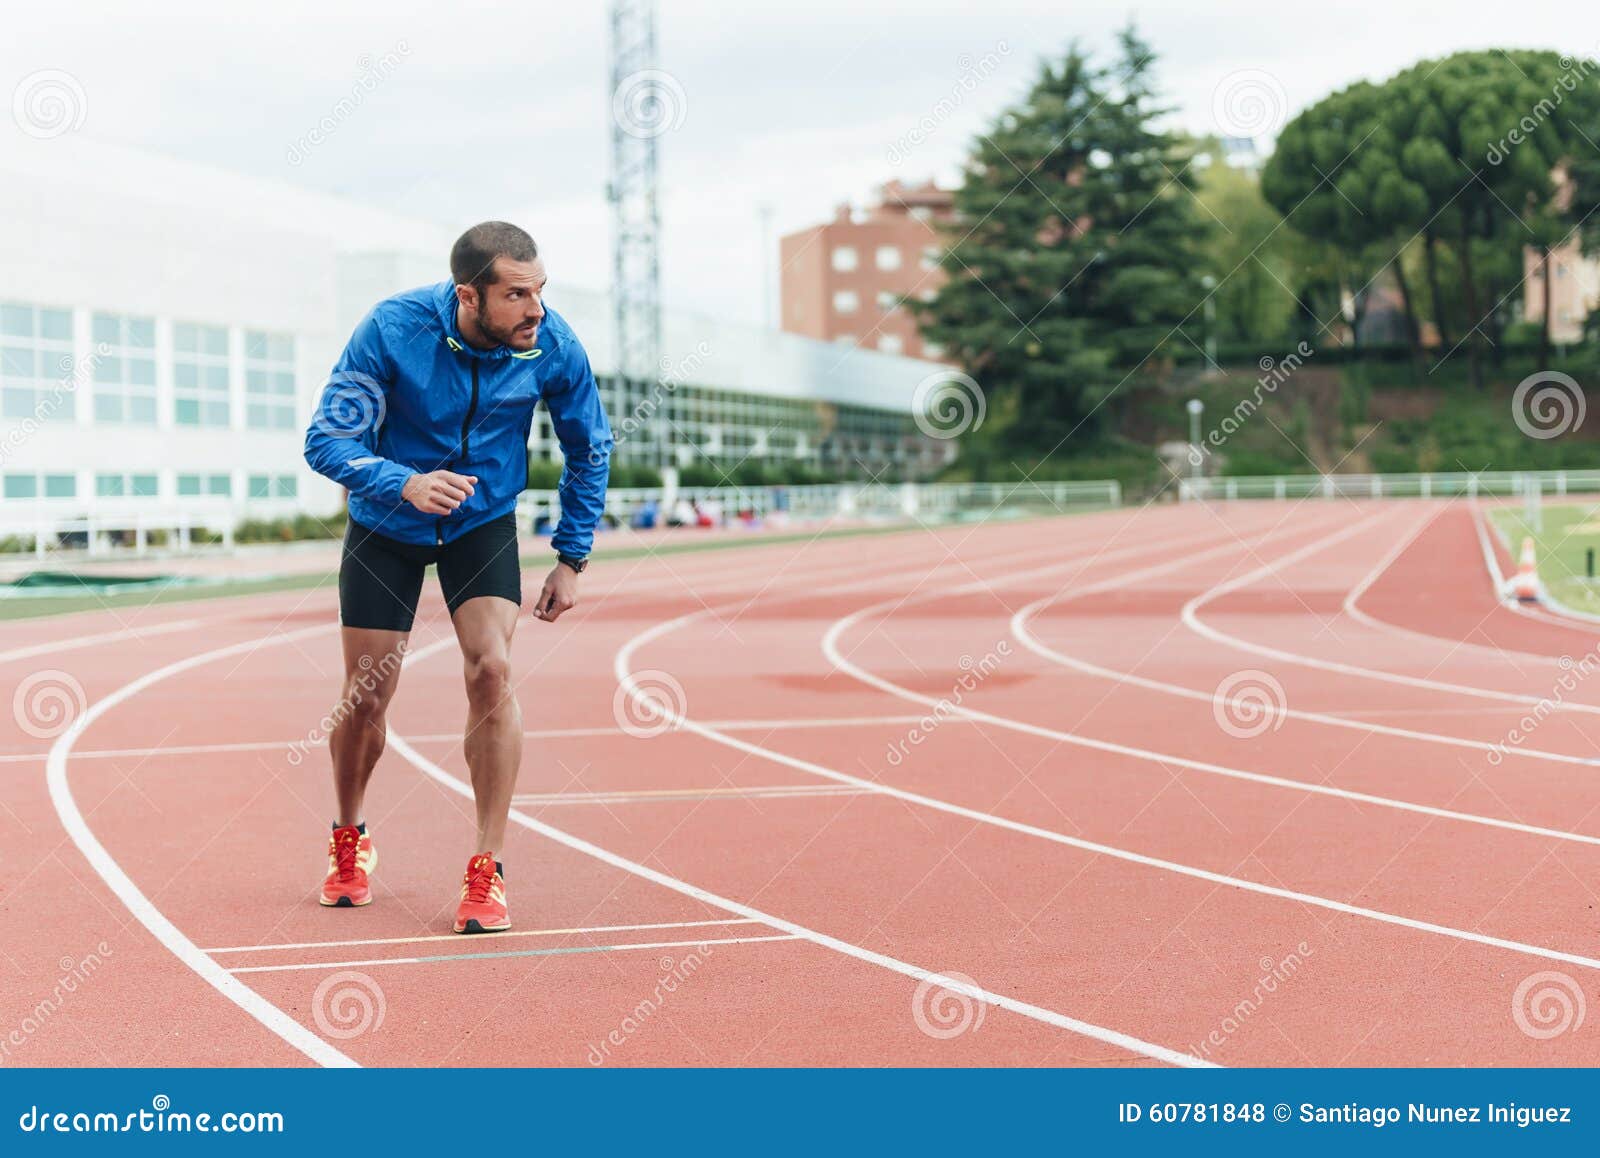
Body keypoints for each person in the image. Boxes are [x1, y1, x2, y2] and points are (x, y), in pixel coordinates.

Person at [303, 221, 612, 933]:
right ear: (468, 296)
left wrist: (571, 556)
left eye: (540, 291)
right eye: (516, 294)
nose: (535, 309)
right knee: (368, 693)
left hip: (480, 521)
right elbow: (326, 440)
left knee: (491, 669)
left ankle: (487, 865)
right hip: (389, 523)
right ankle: (349, 836)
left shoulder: (551, 342)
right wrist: (401, 483)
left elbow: (588, 445)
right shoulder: (391, 329)